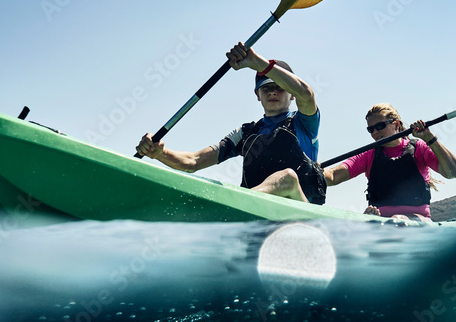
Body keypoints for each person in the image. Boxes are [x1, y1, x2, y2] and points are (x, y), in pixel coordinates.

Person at [136, 42, 326, 204]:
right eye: (266, 88)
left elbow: (306, 94)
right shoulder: (245, 133)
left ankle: (232, 204)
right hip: (258, 214)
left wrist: (257, 63)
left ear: (292, 95)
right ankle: (238, 205)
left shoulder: (304, 123)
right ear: (257, 95)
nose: (273, 92)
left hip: (301, 216)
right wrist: (160, 153)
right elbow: (194, 161)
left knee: (288, 179)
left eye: (280, 87)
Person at [322, 103, 456, 220]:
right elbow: (333, 176)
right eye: (370, 129)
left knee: (397, 220)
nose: (375, 132)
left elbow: (453, 172)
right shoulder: (368, 155)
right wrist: (315, 169)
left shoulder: (419, 148)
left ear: (396, 124)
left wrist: (429, 138)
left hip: (418, 220)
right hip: (382, 222)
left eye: (380, 126)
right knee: (380, 220)